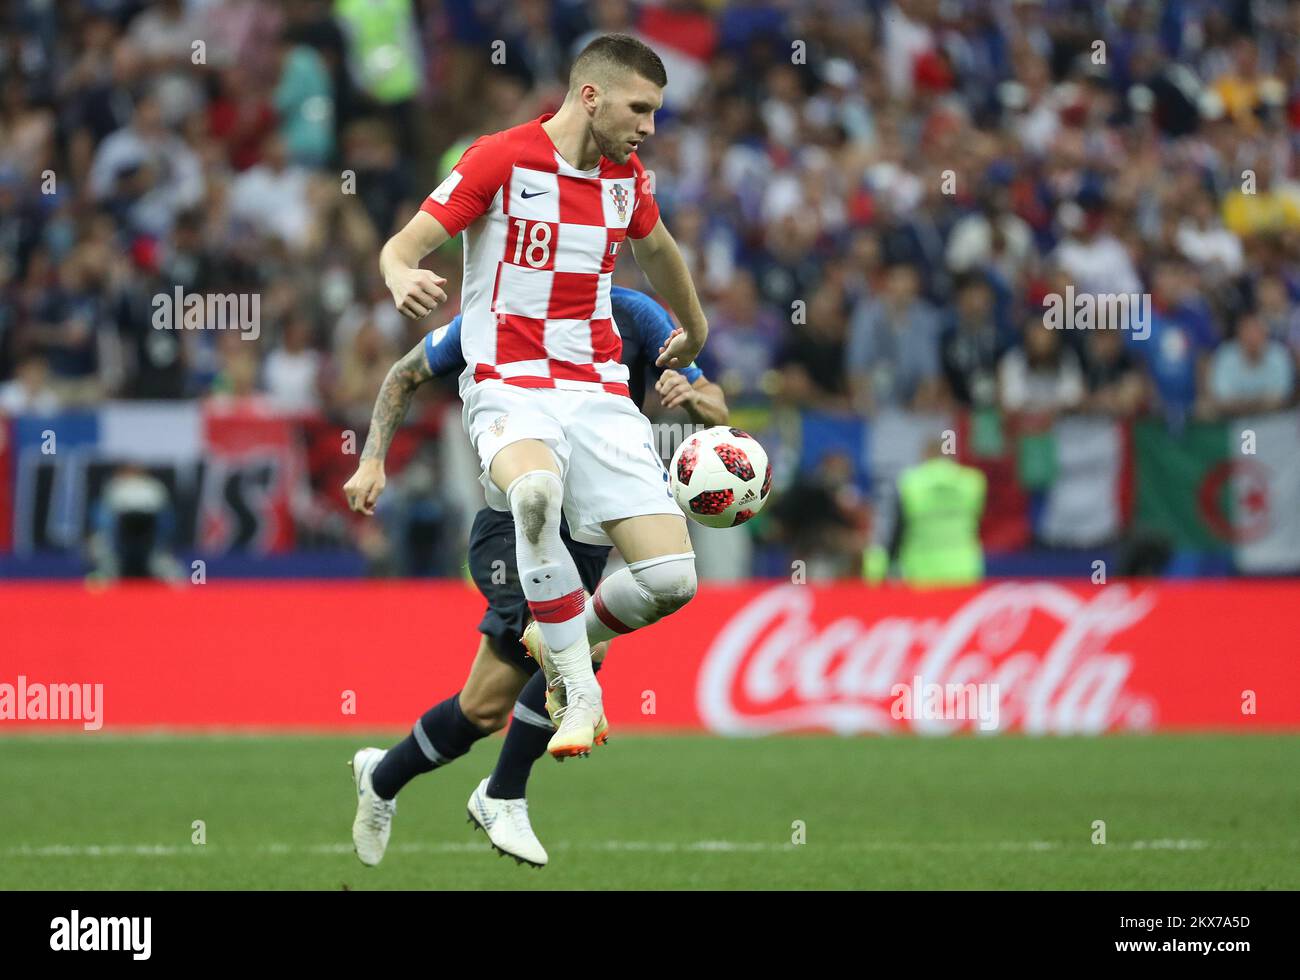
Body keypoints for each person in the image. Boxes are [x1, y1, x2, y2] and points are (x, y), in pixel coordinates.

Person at [344, 34, 710, 762]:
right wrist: (398, 276)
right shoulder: (499, 157)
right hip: (509, 382)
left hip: (598, 392)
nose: (649, 126)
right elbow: (401, 245)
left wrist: (695, 330)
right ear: (591, 96)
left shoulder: (627, 179)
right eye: (640, 109)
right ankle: (578, 688)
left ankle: (561, 631)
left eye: (657, 113)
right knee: (535, 492)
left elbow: (659, 251)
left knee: (672, 579)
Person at [343, 285, 726, 867]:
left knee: (482, 709)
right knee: (574, 645)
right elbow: (402, 374)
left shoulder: (633, 314)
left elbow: (716, 403)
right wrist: (372, 459)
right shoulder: (497, 311)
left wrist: (692, 398)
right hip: (512, 524)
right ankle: (503, 794)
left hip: (588, 534)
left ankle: (382, 777)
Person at [864, 440, 986, 587]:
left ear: (925, 454)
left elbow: (899, 529)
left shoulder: (910, 482)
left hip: (923, 569)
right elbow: (977, 522)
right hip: (965, 567)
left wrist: (887, 565)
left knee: (930, 611)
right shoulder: (972, 481)